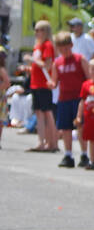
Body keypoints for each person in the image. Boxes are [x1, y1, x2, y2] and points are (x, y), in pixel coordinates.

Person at [51, 31, 88, 167]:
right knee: (66, 128)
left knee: (80, 126)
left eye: (66, 48)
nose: (64, 51)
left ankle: (84, 155)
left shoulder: (80, 59)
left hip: (79, 98)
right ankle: (68, 155)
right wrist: (50, 84)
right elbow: (54, 83)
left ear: (71, 45)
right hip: (64, 98)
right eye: (61, 49)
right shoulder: (57, 63)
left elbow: (89, 79)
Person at [27, 20, 57, 153]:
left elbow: (47, 65)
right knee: (39, 112)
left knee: (47, 112)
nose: (37, 33)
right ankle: (41, 141)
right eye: (36, 30)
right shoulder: (37, 46)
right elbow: (38, 65)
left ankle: (52, 142)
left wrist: (32, 60)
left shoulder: (47, 45)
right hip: (35, 82)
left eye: (40, 30)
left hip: (44, 84)